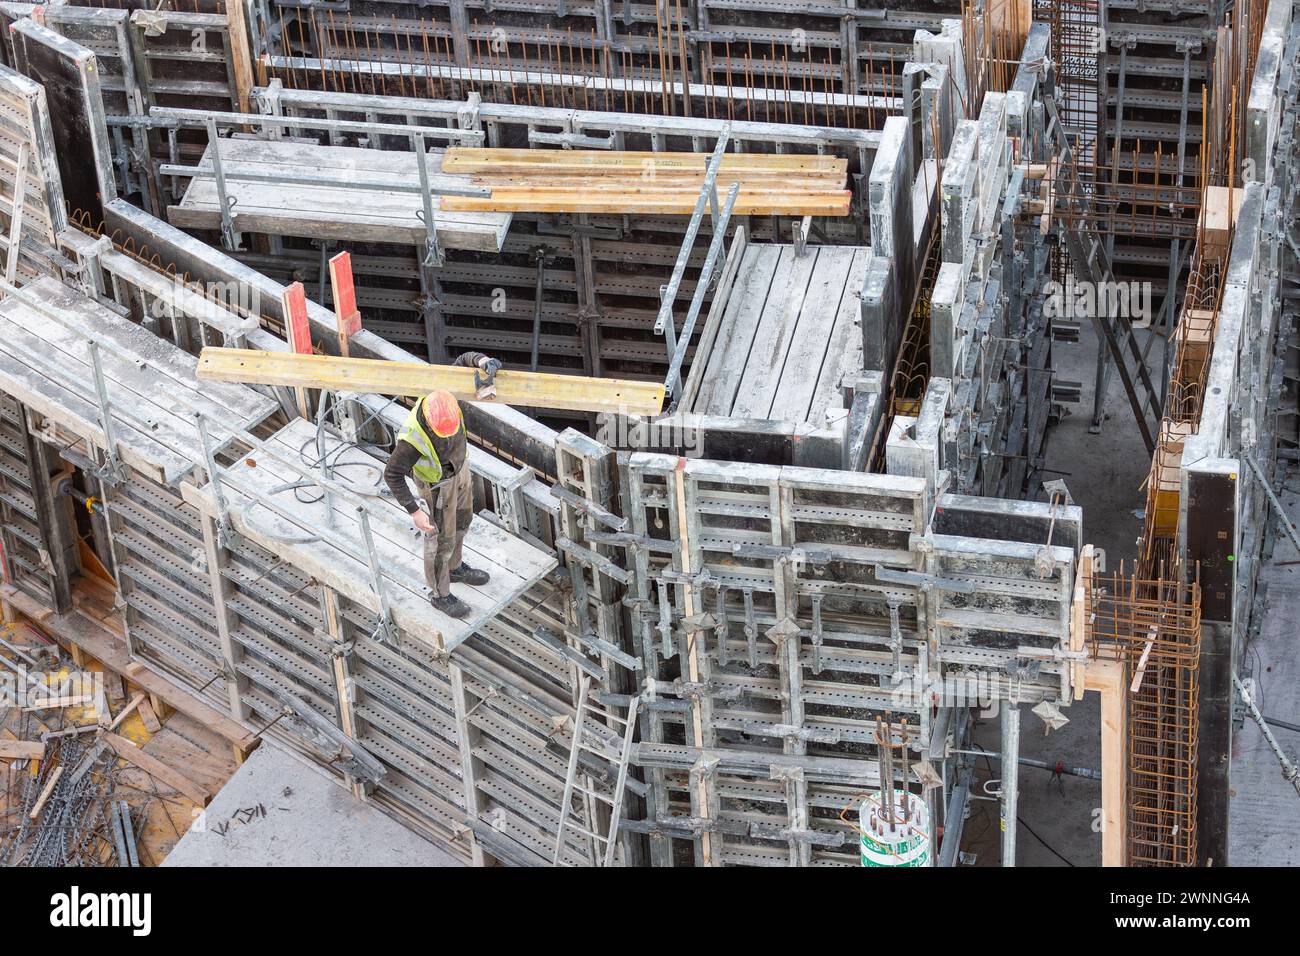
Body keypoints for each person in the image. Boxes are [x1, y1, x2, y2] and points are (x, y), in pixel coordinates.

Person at [383, 352, 501, 618]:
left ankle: (456, 568)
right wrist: (415, 511)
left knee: (462, 523)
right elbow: (392, 474)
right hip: (437, 487)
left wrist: (482, 361)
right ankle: (440, 594)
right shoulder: (412, 439)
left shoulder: (445, 396)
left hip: (459, 473)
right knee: (440, 542)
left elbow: (462, 361)